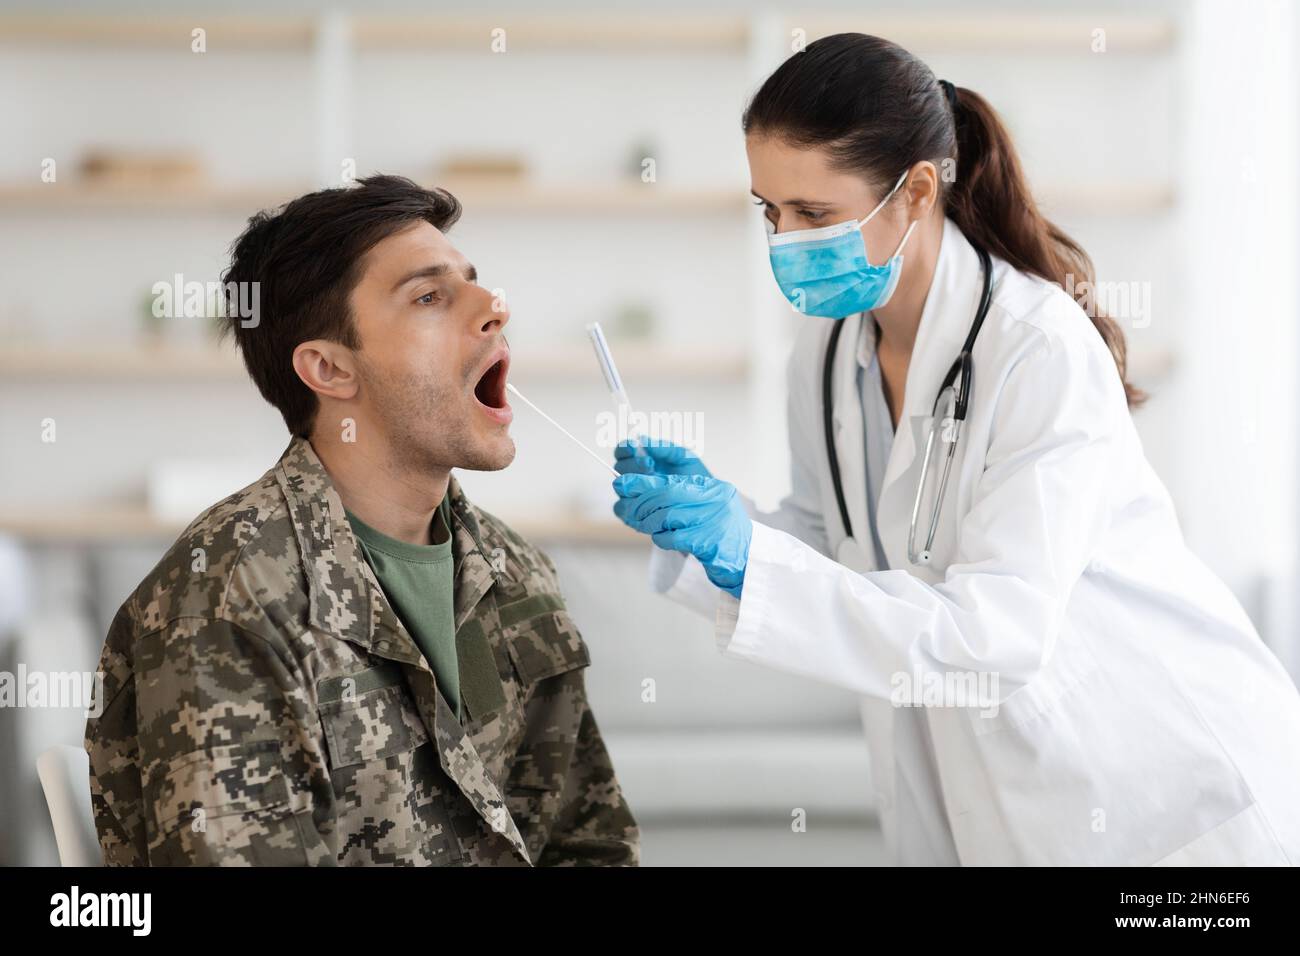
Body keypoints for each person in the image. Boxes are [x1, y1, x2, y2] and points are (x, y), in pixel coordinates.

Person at [612, 34, 1300, 865]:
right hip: (997, 804)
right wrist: (720, 536)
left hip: (1165, 802)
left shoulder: (1038, 348)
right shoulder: (824, 355)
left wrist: (751, 556)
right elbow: (845, 549)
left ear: (917, 191)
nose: (785, 241)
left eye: (815, 214)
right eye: (771, 211)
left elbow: (996, 637)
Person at [85, 175, 638, 866]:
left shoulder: (519, 575)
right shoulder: (231, 593)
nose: (494, 309)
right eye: (430, 297)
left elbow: (590, 841)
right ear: (330, 369)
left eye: (476, 285)